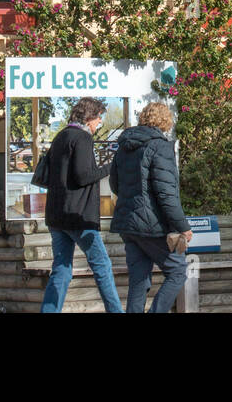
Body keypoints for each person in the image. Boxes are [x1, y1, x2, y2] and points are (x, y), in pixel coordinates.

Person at [40, 97, 123, 313]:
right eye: (98, 118)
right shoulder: (83, 138)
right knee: (102, 266)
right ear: (88, 118)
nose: (100, 123)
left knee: (61, 270)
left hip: (57, 216)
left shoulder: (61, 137)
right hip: (79, 217)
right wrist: (111, 167)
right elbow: (84, 176)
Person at [110, 102, 192, 313]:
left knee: (138, 281)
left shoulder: (124, 147)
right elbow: (166, 193)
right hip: (151, 225)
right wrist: (183, 226)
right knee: (178, 271)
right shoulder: (160, 146)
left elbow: (114, 184)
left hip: (128, 224)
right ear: (165, 120)